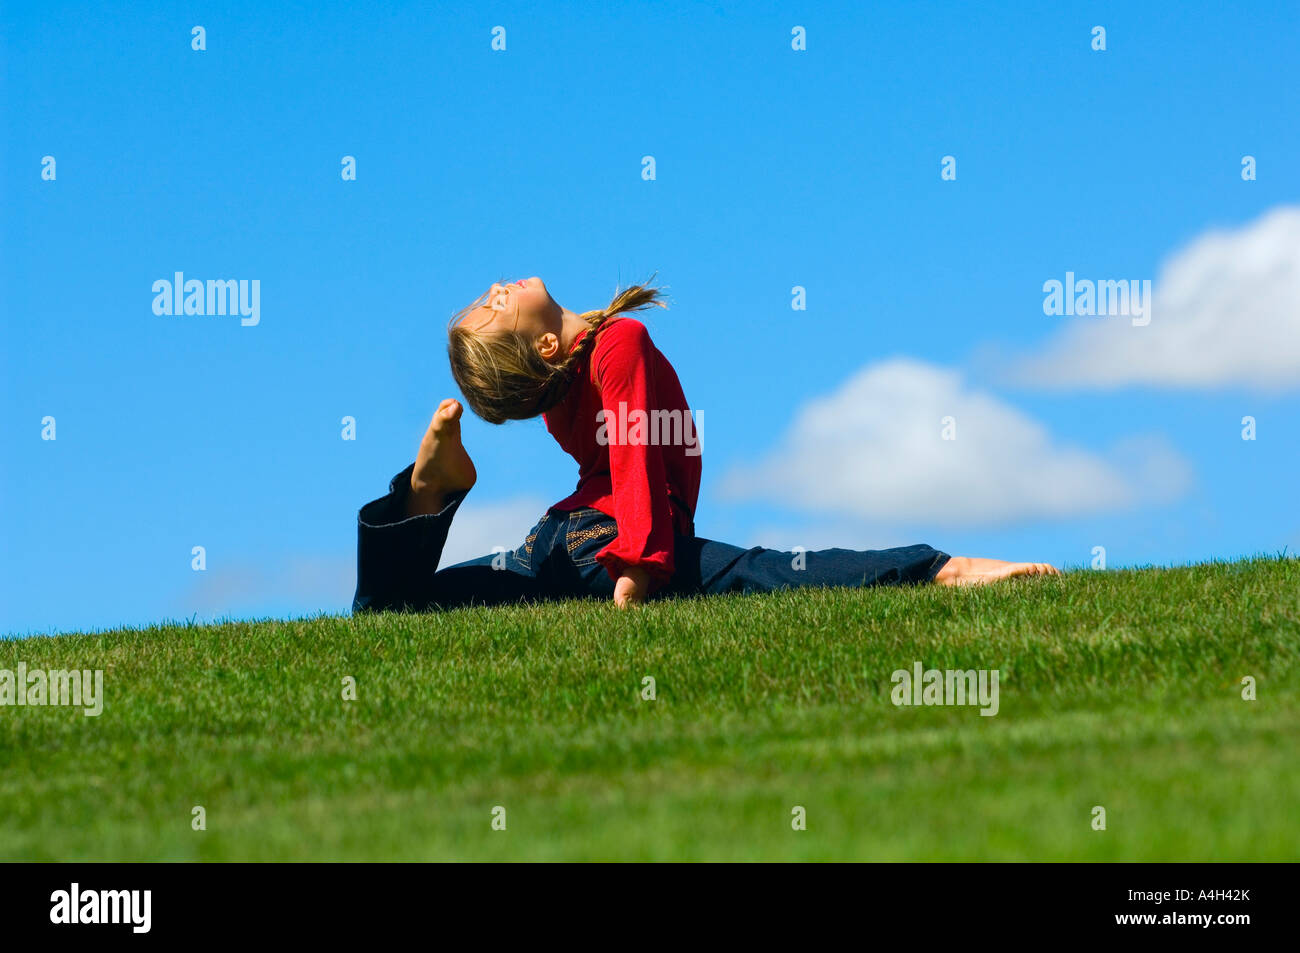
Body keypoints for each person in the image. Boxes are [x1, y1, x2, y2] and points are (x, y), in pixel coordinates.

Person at [352, 277, 1060, 614]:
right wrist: (638, 574)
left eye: (487, 295)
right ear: (544, 344)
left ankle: (428, 495)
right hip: (611, 538)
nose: (496, 287)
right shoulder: (619, 344)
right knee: (769, 571)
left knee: (393, 608)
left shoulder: (571, 391)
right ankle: (942, 568)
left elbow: (621, 448)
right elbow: (633, 455)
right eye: (495, 305)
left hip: (552, 545)